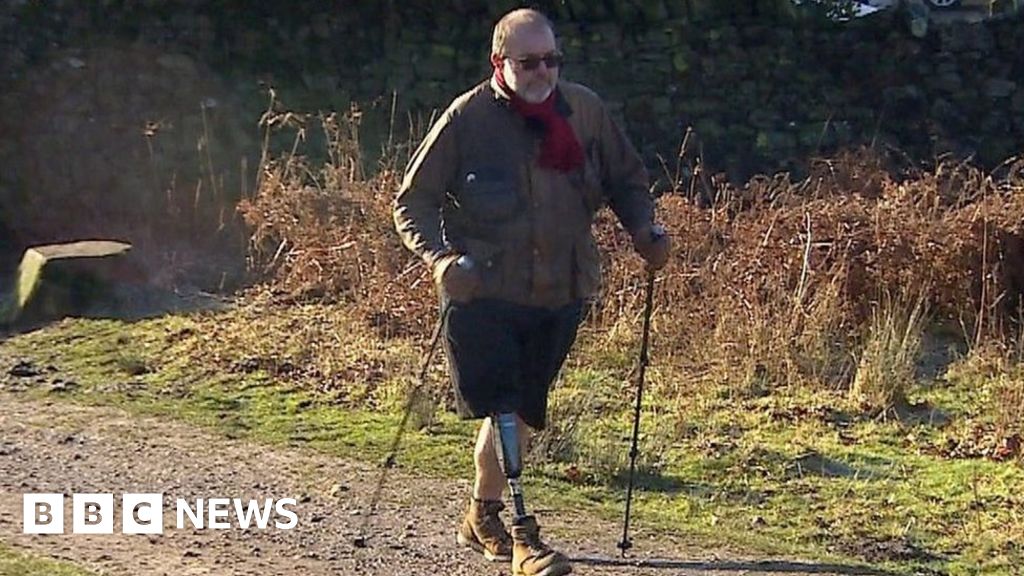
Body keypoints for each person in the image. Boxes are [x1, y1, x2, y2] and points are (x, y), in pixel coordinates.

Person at [392, 8, 670, 576]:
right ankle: (523, 537)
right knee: (506, 407)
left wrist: (645, 228)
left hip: (561, 289)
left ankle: (480, 514)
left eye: (552, 59)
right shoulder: (466, 119)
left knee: (512, 410)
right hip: (484, 290)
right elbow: (411, 203)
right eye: (529, 62)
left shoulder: (584, 111)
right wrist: (441, 260)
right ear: (500, 63)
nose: (544, 71)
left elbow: (626, 179)